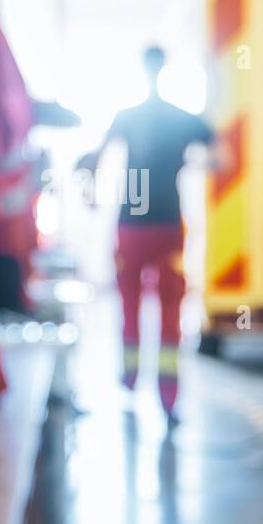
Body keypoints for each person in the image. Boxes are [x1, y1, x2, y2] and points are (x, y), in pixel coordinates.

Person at [86, 46, 221, 422]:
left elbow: (97, 157)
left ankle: (129, 381)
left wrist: (92, 195)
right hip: (166, 225)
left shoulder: (127, 117)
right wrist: (196, 161)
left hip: (132, 224)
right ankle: (168, 396)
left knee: (129, 305)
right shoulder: (183, 119)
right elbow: (220, 158)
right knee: (169, 310)